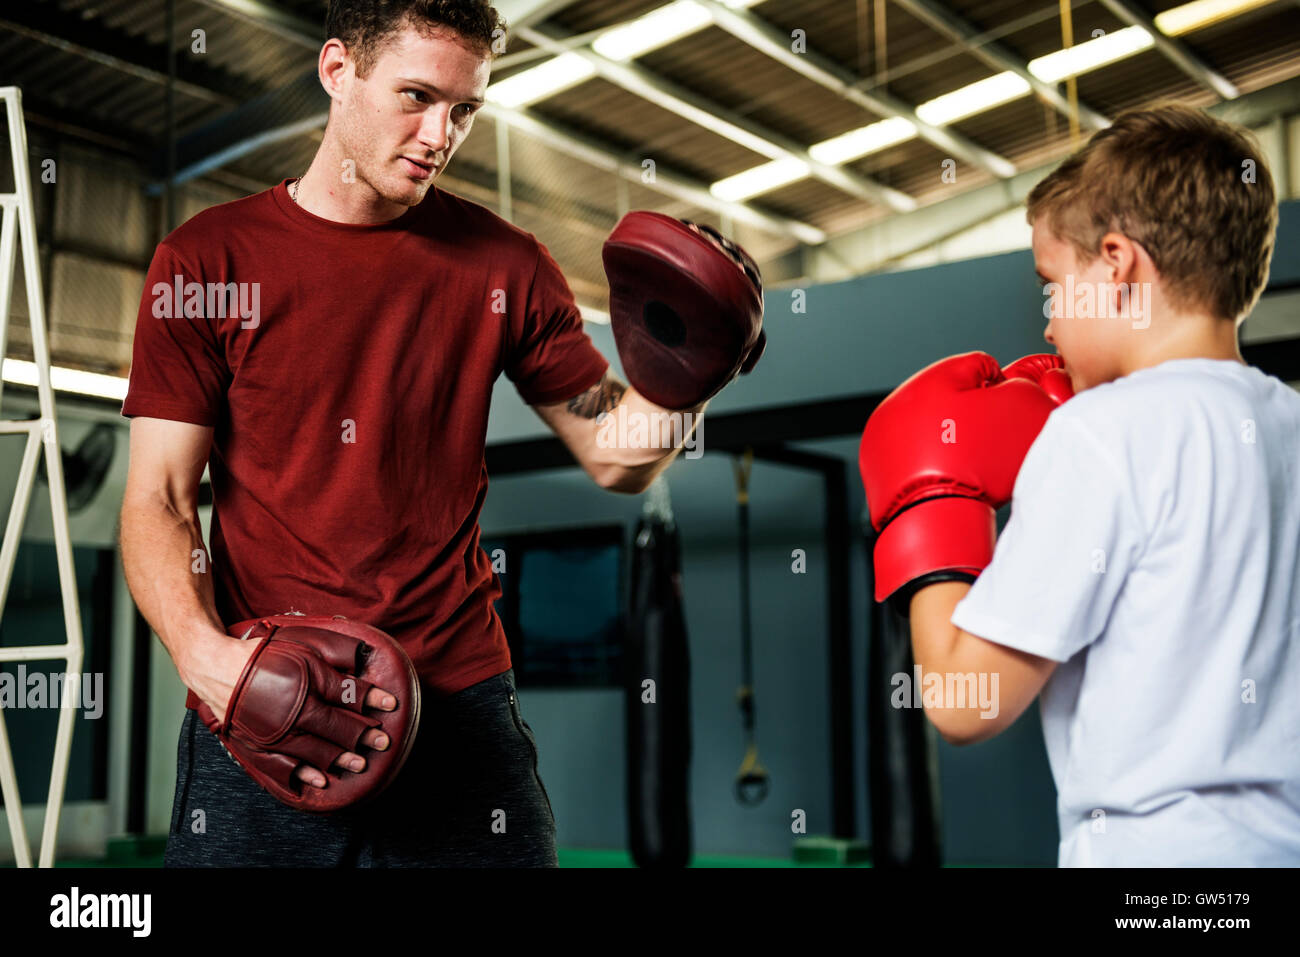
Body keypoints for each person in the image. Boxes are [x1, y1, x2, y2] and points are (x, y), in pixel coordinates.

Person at [118, 0, 760, 867]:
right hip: (267, 707)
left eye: (464, 110)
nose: (438, 133)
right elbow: (158, 497)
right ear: (337, 70)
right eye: (416, 96)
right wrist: (208, 662)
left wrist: (690, 370)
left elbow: (615, 454)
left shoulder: (506, 263)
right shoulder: (207, 261)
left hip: (456, 703)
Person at [859, 103, 1300, 866]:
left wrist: (931, 504)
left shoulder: (1100, 433)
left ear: (1118, 261)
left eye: (1052, 285)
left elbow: (968, 701)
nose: (1050, 325)